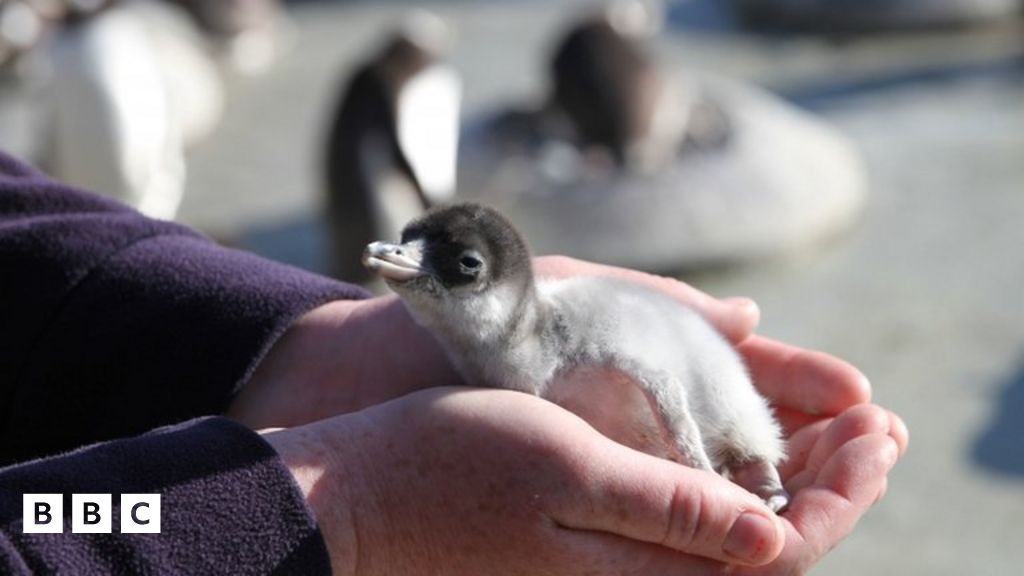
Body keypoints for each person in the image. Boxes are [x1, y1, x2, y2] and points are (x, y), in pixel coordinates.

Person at [0, 149, 908, 575]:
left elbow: (666, 375)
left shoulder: (562, 329)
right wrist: (330, 512)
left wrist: (279, 346)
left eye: (458, 268)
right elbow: (47, 519)